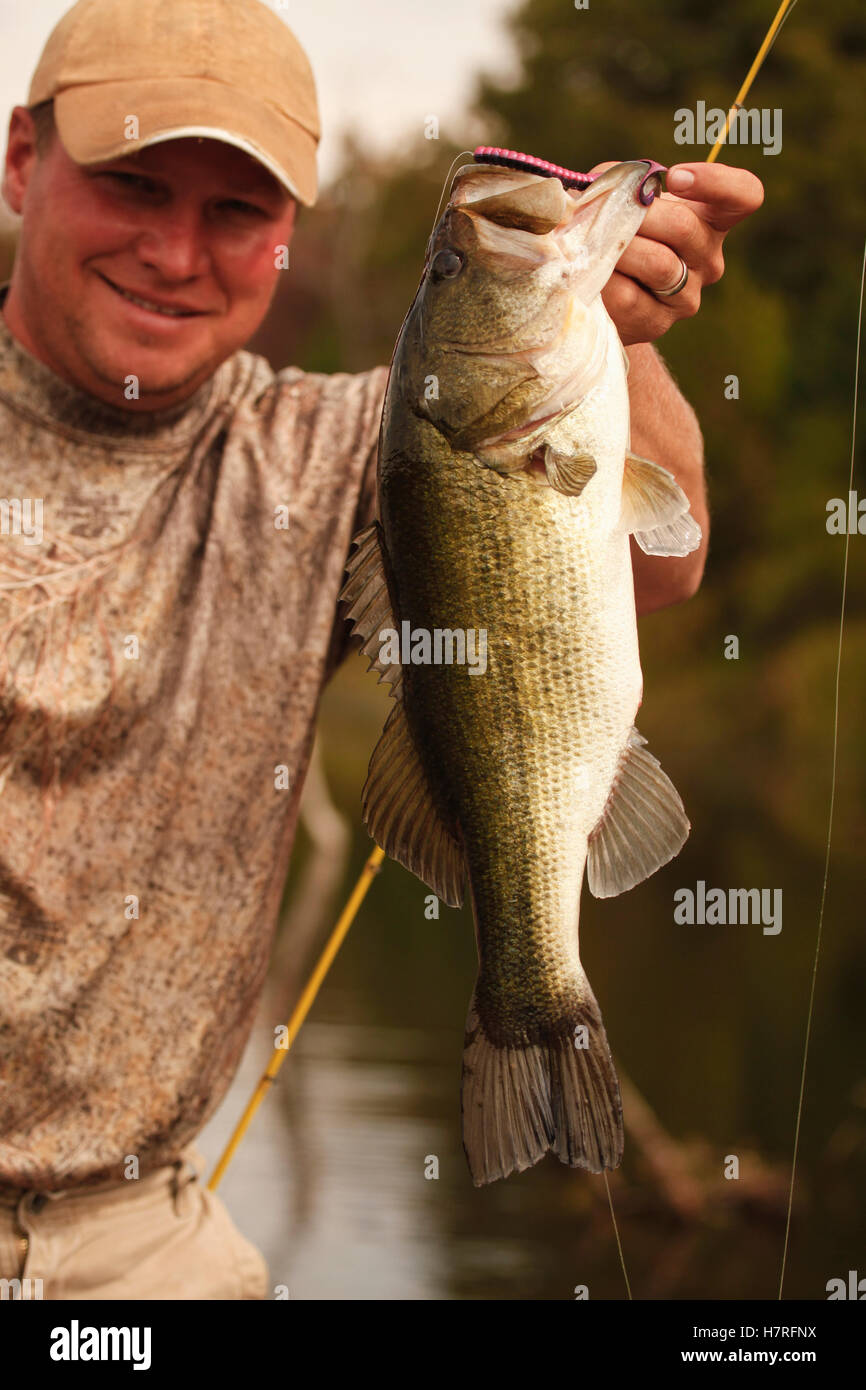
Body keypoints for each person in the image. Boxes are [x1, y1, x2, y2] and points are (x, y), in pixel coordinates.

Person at [0, 0, 763, 1300]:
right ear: (23, 161)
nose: (175, 250)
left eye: (235, 212)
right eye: (134, 183)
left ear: (288, 233)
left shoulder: (349, 444)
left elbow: (656, 561)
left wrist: (619, 320)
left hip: (135, 1242)